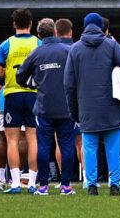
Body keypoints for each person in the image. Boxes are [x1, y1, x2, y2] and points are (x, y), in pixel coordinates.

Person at [66, 13, 120, 196]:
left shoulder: (75, 49)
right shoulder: (112, 45)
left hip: (86, 107)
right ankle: (114, 184)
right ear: (101, 27)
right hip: (112, 106)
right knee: (113, 147)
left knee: (89, 147)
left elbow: (68, 84)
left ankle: (91, 185)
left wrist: (74, 111)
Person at [16, 18, 77, 196]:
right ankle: (66, 185)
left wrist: (34, 84)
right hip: (66, 107)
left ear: (39, 34)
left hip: (44, 108)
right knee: (66, 146)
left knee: (43, 145)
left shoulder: (36, 53)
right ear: (55, 32)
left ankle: (43, 186)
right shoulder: (68, 50)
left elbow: (20, 76)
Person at [0, 8, 42, 193]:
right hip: (32, 95)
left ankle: (14, 183)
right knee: (33, 139)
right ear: (31, 24)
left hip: (12, 94)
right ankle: (31, 182)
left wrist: (9, 75)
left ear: (14, 24)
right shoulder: (38, 43)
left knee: (11, 140)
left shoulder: (6, 44)